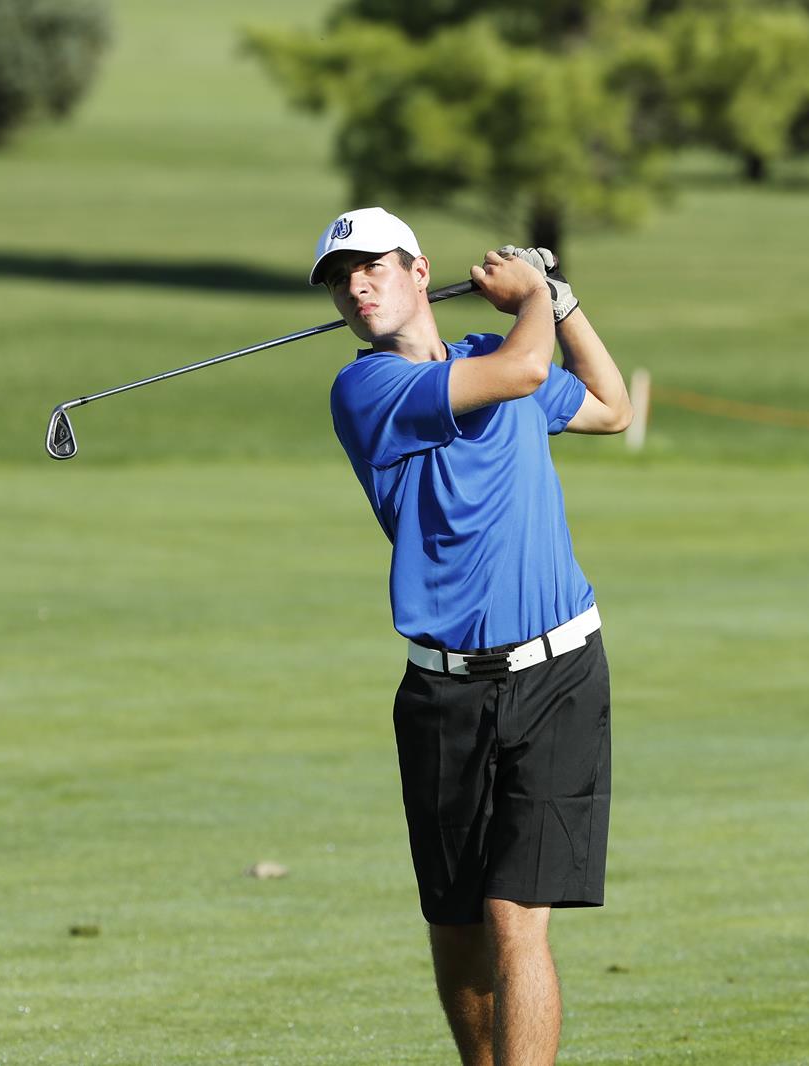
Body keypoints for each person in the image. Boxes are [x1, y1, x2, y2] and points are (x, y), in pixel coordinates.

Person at [311, 207, 633, 1066]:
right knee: (454, 920)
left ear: (419, 272)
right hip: (442, 690)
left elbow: (610, 405)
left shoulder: (486, 360)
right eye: (341, 279)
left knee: (513, 920)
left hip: (559, 670)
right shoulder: (367, 390)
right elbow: (527, 370)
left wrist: (561, 304)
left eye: (372, 266)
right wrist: (532, 296)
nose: (356, 286)